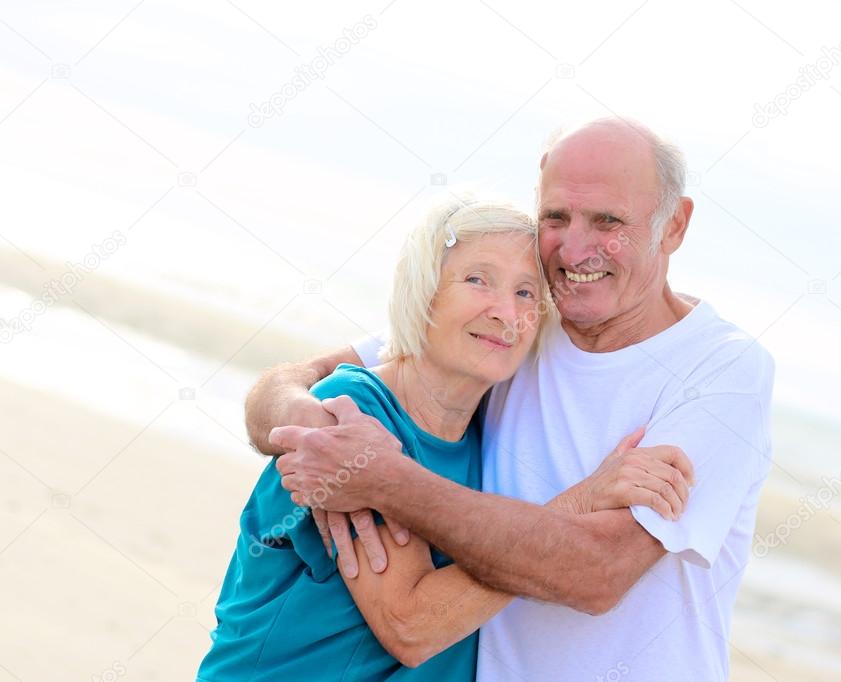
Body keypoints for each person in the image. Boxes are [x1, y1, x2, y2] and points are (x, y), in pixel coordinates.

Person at [256, 117, 775, 681]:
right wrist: (310, 430)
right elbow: (301, 378)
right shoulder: (517, 324)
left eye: (607, 221)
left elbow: (595, 573)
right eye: (556, 217)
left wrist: (382, 479)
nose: (575, 248)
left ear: (673, 225)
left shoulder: (721, 368)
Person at [198, 193, 694, 681]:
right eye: (479, 280)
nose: (506, 312)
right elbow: (411, 625)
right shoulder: (353, 414)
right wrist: (581, 502)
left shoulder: (493, 431)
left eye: (526, 292)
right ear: (425, 290)